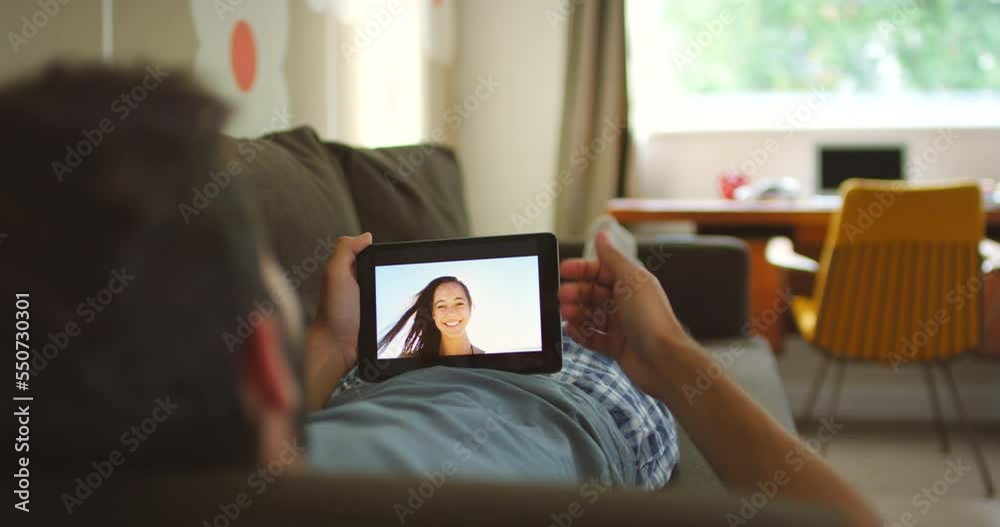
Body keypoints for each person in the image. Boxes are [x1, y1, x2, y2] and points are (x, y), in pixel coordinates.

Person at [8, 65, 880, 526]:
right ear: (261, 367)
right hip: (583, 407)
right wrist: (673, 357)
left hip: (402, 377)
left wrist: (338, 347)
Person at [378, 276, 486, 358]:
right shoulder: (411, 360)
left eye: (459, 303)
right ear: (433, 314)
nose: (451, 313)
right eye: (441, 306)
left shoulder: (489, 361)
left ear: (470, 308)